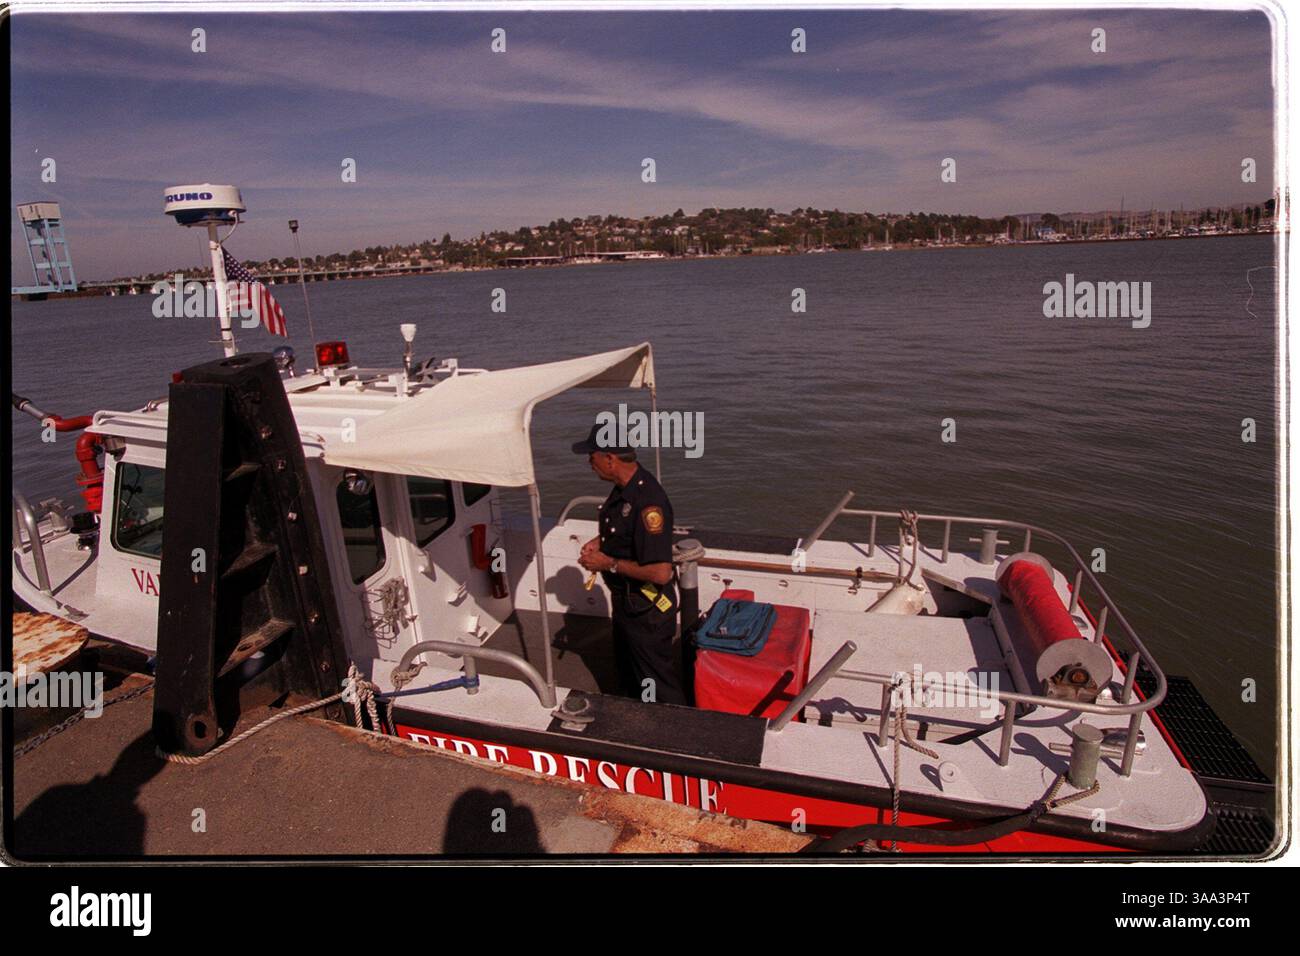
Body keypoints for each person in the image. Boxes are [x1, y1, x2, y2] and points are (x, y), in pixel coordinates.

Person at [572, 424, 686, 705]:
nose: (589, 462)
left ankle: (675, 734)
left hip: (646, 610)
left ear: (610, 458)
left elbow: (661, 572)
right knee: (628, 673)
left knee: (656, 682)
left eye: (592, 456)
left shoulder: (649, 503)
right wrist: (600, 542)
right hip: (627, 603)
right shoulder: (625, 489)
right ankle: (630, 721)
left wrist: (607, 563)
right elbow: (624, 529)